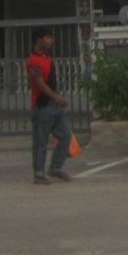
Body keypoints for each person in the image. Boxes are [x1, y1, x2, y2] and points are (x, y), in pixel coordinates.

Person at [26, 29, 74, 185]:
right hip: (42, 106)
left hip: (55, 107)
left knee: (66, 134)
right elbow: (39, 84)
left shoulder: (47, 57)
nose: (50, 41)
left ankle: (55, 167)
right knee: (40, 141)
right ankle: (39, 173)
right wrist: (57, 97)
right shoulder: (33, 61)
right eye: (47, 38)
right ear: (38, 40)